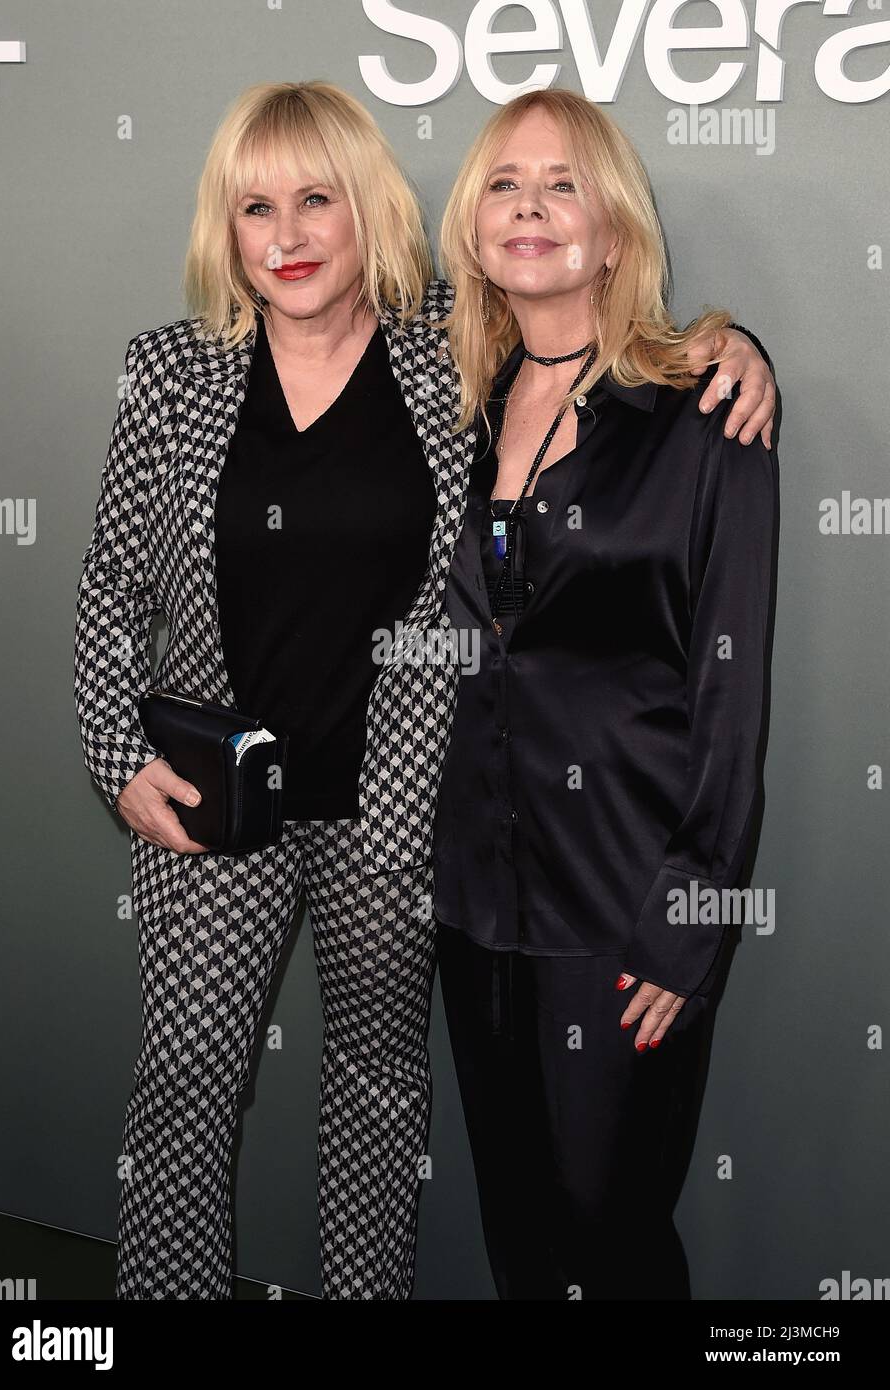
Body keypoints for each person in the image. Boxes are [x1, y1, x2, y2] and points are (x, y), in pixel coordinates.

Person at [73, 80, 774, 1301]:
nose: (285, 237)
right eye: (254, 208)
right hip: (215, 807)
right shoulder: (170, 373)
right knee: (184, 1086)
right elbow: (105, 593)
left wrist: (728, 342)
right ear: (223, 229)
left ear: (370, 213)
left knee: (379, 1095)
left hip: (398, 819)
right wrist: (114, 753)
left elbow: (601, 329)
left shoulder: (449, 344)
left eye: (315, 201)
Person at [431, 88, 779, 1300]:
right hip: (473, 903)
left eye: (561, 183)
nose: (527, 206)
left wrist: (691, 919)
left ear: (617, 230)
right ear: (470, 223)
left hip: (628, 910)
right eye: (502, 184)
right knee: (519, 1233)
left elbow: (731, 696)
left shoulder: (705, 415)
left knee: (611, 1236)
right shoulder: (449, 407)